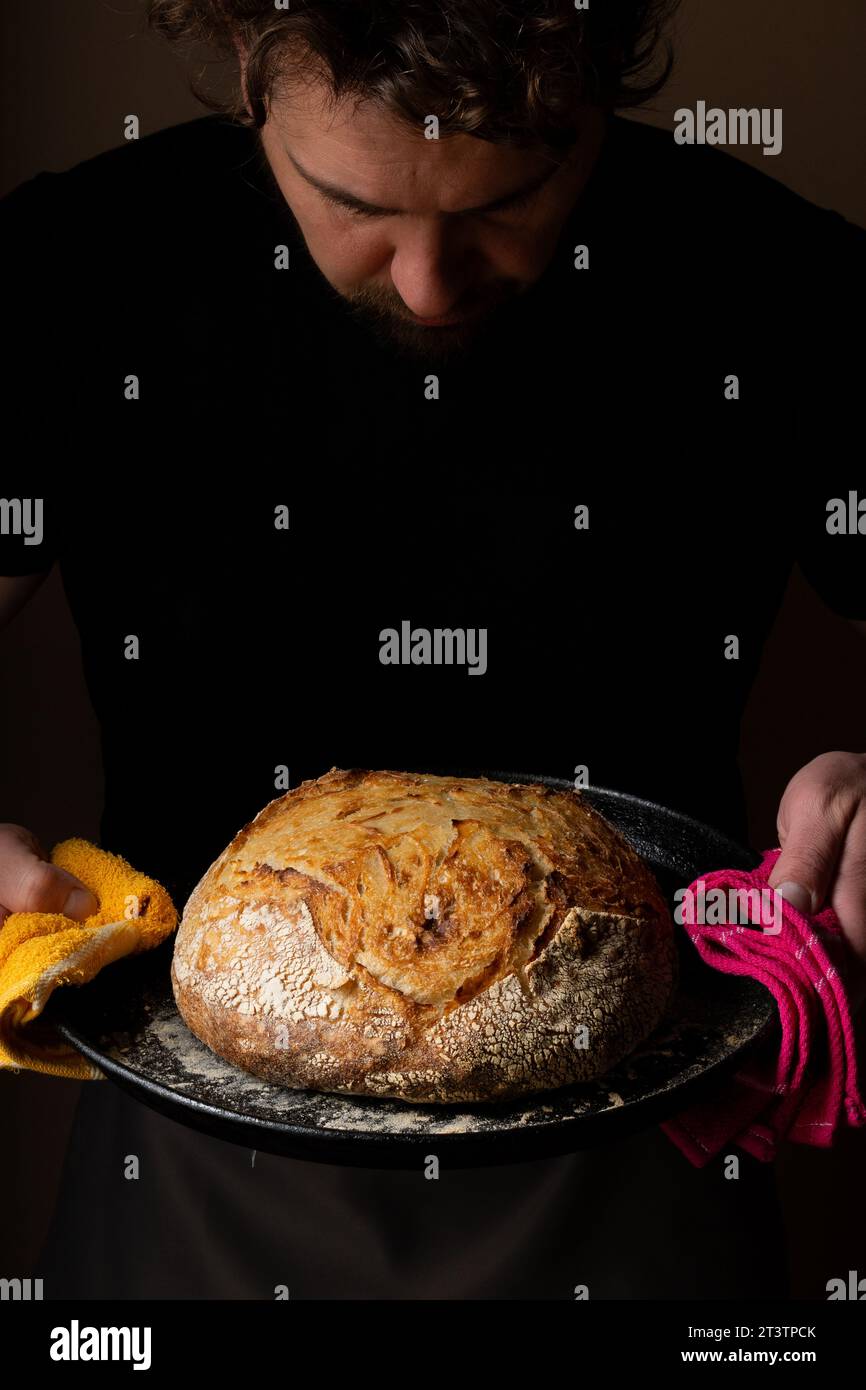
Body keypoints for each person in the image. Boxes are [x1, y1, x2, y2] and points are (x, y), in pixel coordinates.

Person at [1, 0, 864, 1299]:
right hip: (185, 1163)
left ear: (593, 93)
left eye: (506, 200)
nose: (426, 280)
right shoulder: (72, 270)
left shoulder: (777, 281)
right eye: (351, 201)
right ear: (248, 71)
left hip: (647, 1149)